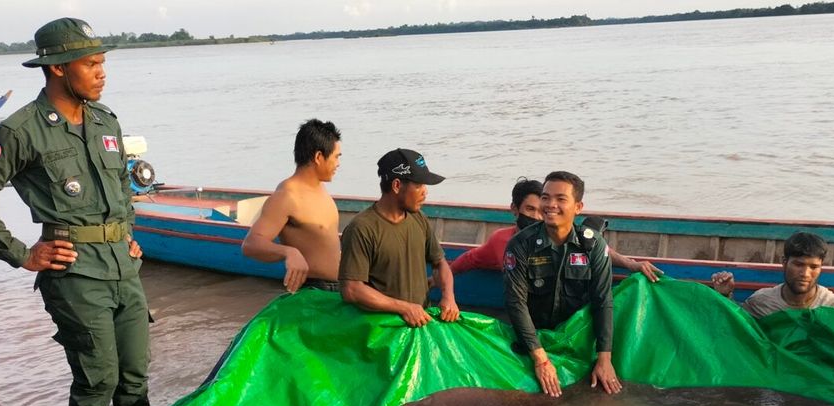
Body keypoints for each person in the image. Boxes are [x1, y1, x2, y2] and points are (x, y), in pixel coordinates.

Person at [0, 18, 149, 406]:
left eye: (102, 62)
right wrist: (22, 254)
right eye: (91, 63)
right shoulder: (22, 130)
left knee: (135, 376)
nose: (102, 72)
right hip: (76, 273)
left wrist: (129, 234)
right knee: (97, 379)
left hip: (124, 267)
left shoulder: (106, 121)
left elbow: (122, 184)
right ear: (59, 67)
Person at [503, 170, 620, 397]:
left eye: (560, 199)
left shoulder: (593, 245)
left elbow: (603, 300)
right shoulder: (520, 244)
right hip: (533, 339)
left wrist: (604, 358)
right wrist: (540, 359)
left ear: (578, 207)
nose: (550, 205)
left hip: (575, 339)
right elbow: (516, 303)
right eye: (545, 197)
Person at [451, 177, 663, 281]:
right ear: (515, 210)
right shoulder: (503, 241)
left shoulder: (555, 231)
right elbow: (471, 258)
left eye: (539, 210)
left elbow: (594, 246)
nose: (536, 216)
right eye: (529, 209)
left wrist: (631, 264)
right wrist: (441, 277)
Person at [339, 148, 459, 327]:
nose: (425, 192)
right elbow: (352, 289)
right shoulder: (362, 228)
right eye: (418, 185)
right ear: (396, 186)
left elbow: (439, 263)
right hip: (384, 330)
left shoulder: (419, 219)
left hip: (421, 323)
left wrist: (448, 296)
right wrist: (403, 308)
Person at [242, 119, 343, 293]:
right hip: (313, 291)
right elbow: (251, 244)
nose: (338, 164)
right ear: (319, 157)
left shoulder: (321, 189)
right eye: (336, 157)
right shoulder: (287, 196)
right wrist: (289, 252)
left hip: (338, 289)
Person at [710, 231, 834, 318]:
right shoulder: (761, 302)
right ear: (784, 262)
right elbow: (738, 326)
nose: (805, 273)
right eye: (798, 265)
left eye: (813, 267)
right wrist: (724, 296)